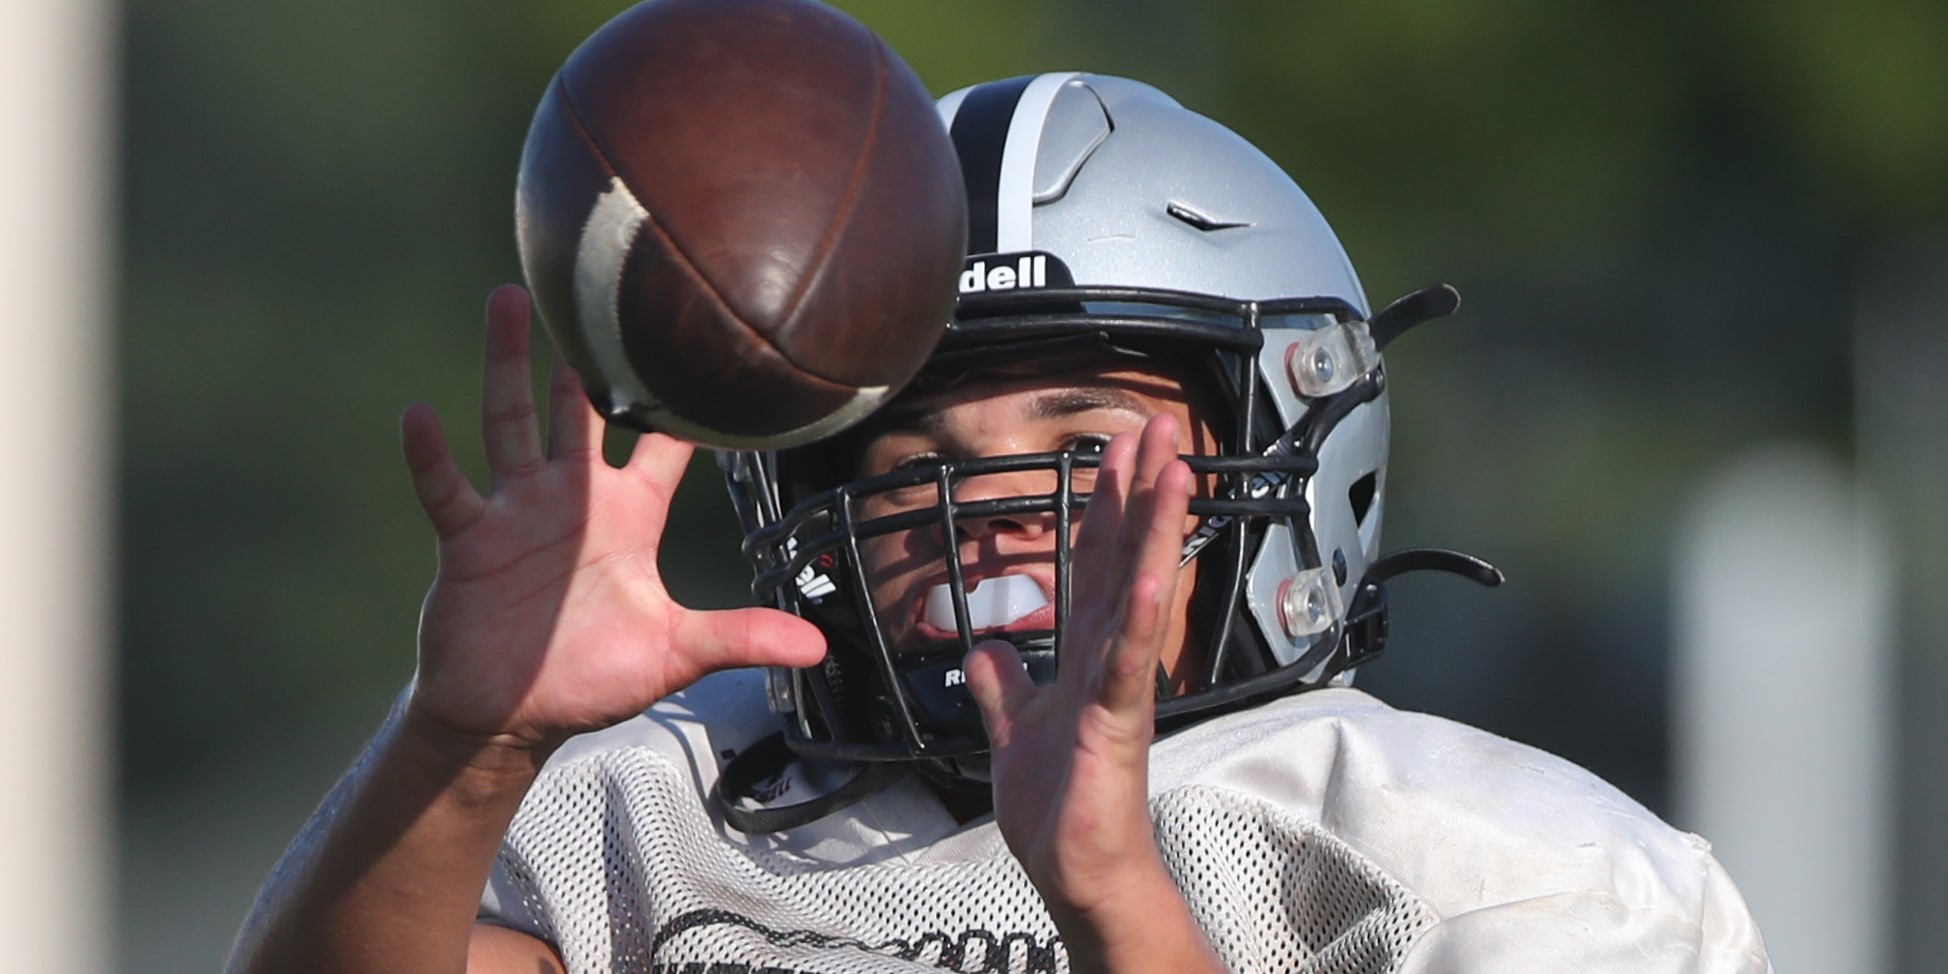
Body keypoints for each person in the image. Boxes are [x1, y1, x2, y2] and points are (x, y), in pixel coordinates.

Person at [227, 73, 1770, 974]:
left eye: (1080, 437)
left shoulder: (1474, 858)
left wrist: (1115, 889)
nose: (985, 512)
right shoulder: (664, 802)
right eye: (910, 455)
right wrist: (466, 741)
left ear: (1287, 445)